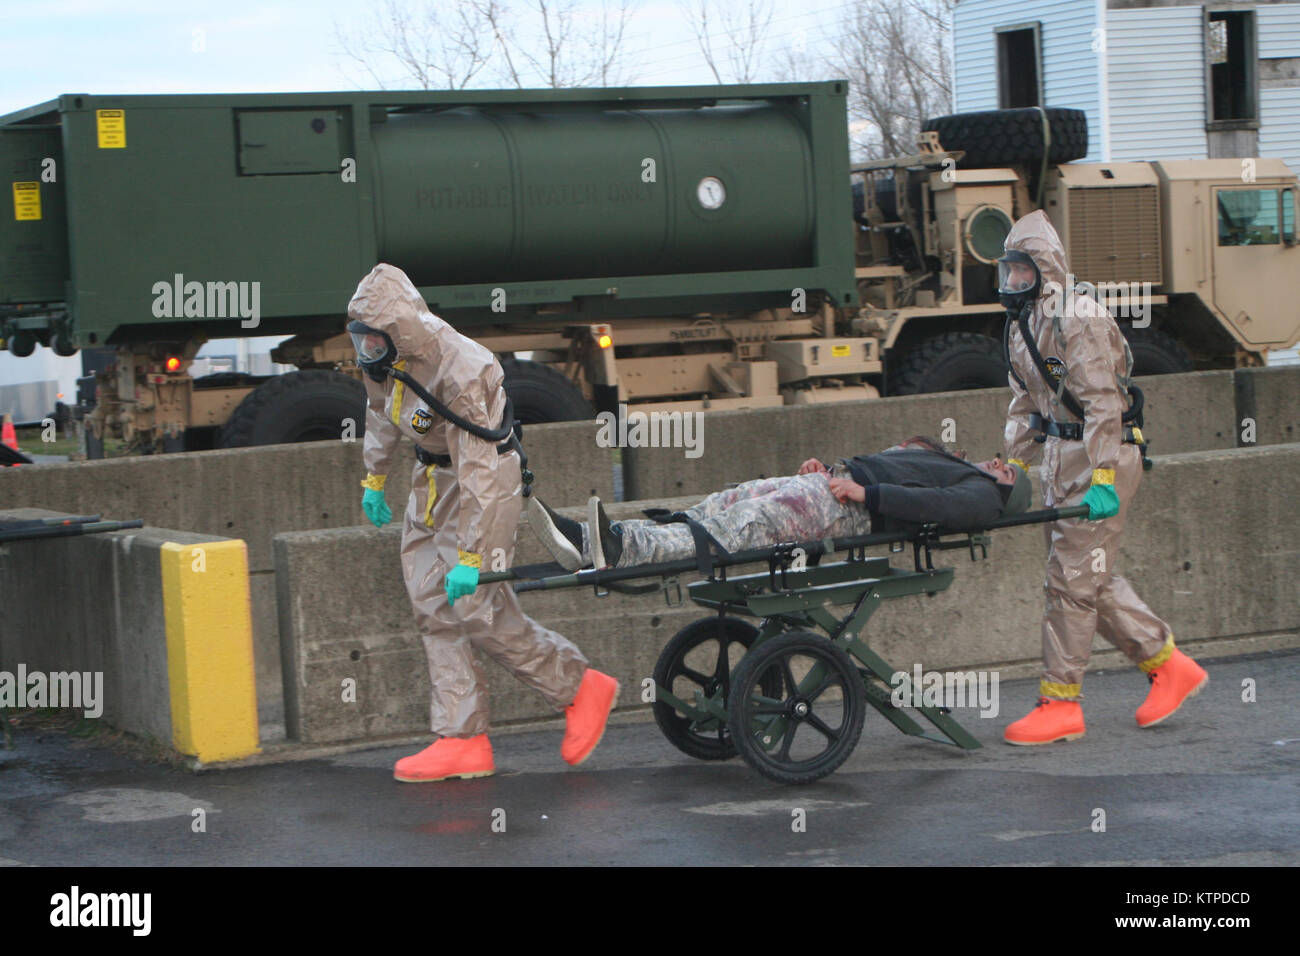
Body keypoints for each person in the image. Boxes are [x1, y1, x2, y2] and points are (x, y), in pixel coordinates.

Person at [348, 263, 619, 782]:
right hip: (431, 481)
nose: (365, 352)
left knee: (476, 606)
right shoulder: (385, 358)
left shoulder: (463, 367)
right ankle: (462, 738)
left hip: (483, 482)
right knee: (432, 606)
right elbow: (381, 412)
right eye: (360, 341)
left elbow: (479, 466)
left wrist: (472, 553)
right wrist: (373, 476)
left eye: (372, 340)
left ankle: (580, 688)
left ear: (397, 328)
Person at [998, 210, 1207, 746]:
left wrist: (1104, 476)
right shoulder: (1023, 324)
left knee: (1069, 582)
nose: (1014, 281)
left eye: (1023, 270)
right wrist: (1017, 463)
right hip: (1062, 458)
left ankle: (1060, 703)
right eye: (1009, 271)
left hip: (1099, 456)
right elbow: (1025, 402)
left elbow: (1102, 405)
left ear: (1044, 268)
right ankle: (1169, 665)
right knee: (1088, 575)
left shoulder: (1077, 316)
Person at [528, 436, 1032, 571]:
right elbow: (897, 469)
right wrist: (834, 470)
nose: (995, 463)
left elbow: (940, 509)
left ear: (1007, 492)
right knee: (728, 502)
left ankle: (620, 549)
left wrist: (864, 492)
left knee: (741, 526)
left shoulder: (983, 497)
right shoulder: (956, 465)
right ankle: (601, 539)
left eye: (1005, 470)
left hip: (848, 509)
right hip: (833, 489)